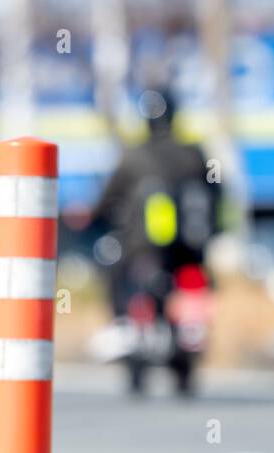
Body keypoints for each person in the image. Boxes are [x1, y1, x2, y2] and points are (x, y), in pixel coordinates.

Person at [88, 88, 220, 393]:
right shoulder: (194, 154)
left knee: (117, 274)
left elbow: (107, 198)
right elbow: (217, 192)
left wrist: (92, 216)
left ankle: (125, 328)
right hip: (190, 248)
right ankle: (180, 338)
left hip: (142, 249)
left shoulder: (135, 156)